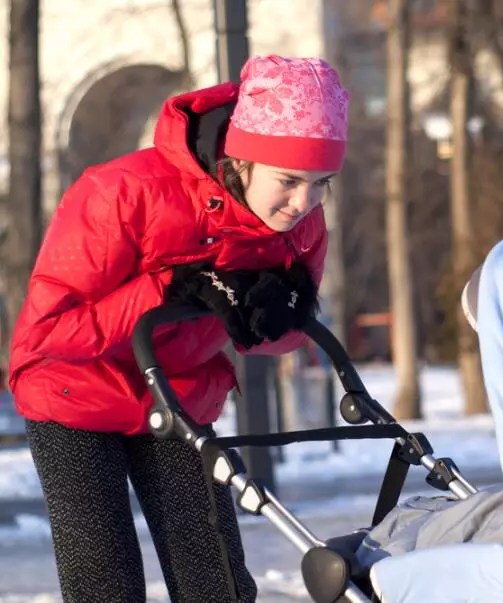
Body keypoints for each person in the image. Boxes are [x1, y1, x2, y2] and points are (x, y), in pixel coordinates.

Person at [7, 54, 350, 603]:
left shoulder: (300, 222)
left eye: (322, 183)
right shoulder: (121, 193)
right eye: (289, 180)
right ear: (242, 159)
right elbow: (47, 333)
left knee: (217, 583)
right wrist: (172, 287)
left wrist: (281, 312)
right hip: (73, 393)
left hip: (179, 391)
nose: (304, 203)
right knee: (105, 586)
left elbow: (275, 340)